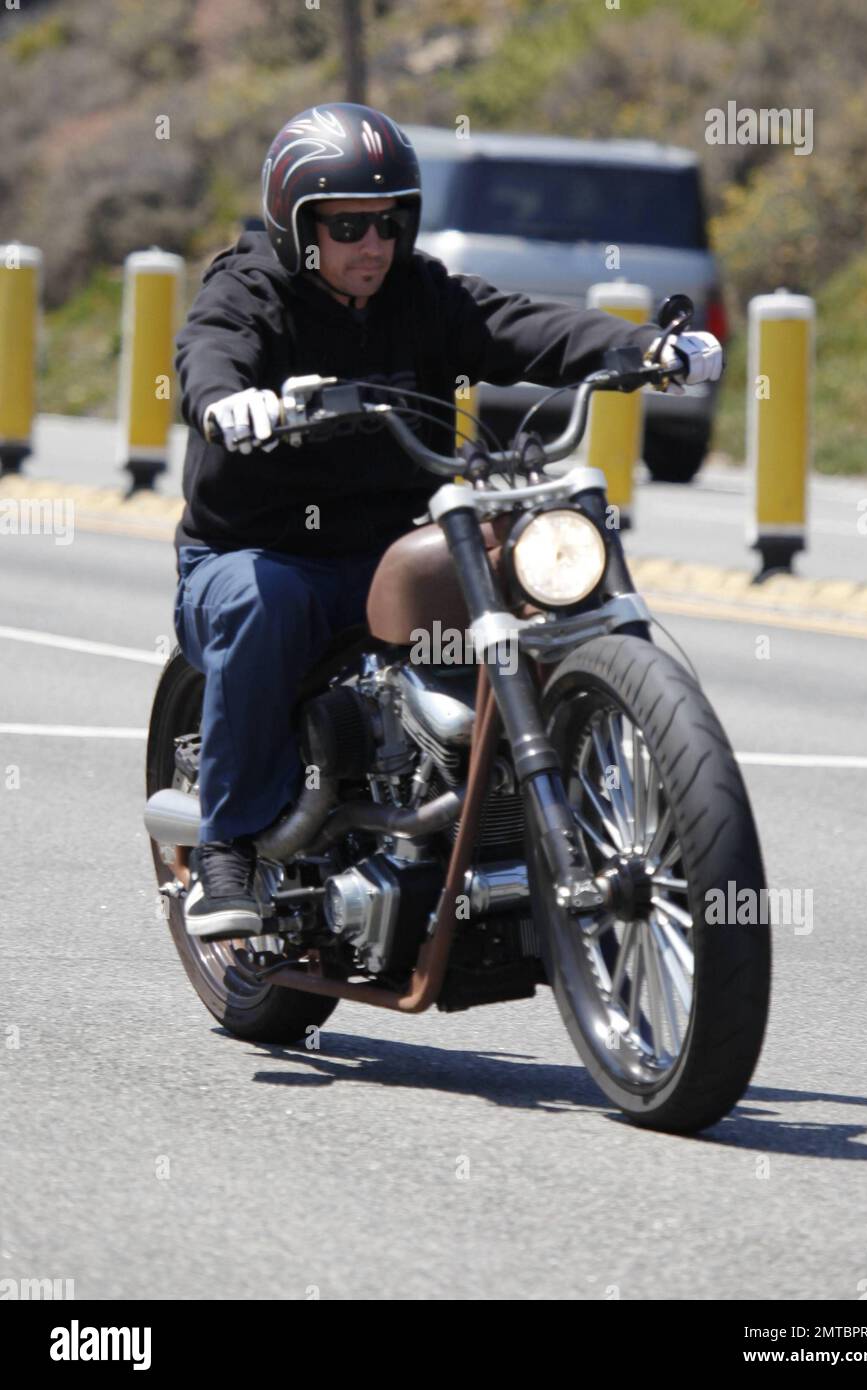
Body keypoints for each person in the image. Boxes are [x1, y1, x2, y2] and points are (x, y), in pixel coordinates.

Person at [172, 102, 723, 942]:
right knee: (265, 601)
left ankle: (599, 805)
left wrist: (640, 349)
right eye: (348, 225)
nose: (374, 244)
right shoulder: (251, 290)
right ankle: (228, 851)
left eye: (390, 222)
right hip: (256, 551)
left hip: (391, 554)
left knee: (531, 567)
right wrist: (226, 403)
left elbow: (521, 324)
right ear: (297, 227)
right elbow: (210, 350)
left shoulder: (419, 294)